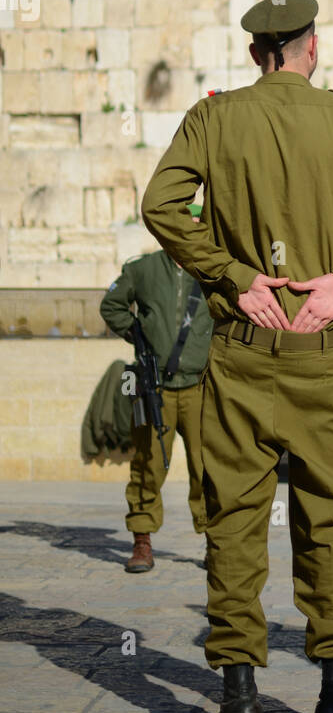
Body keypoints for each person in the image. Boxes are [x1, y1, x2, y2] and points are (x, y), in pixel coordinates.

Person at [140, 0, 333, 713]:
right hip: (323, 359)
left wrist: (232, 276)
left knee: (233, 521)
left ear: (255, 51)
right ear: (312, 46)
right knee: (329, 519)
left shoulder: (213, 117)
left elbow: (162, 206)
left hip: (238, 357)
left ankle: (238, 701)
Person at [99, 204, 213, 573]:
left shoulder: (215, 271)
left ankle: (217, 542)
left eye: (199, 225)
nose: (191, 230)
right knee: (147, 464)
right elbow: (112, 306)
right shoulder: (143, 270)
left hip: (200, 386)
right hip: (154, 388)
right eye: (186, 224)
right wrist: (139, 337)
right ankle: (143, 540)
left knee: (209, 467)